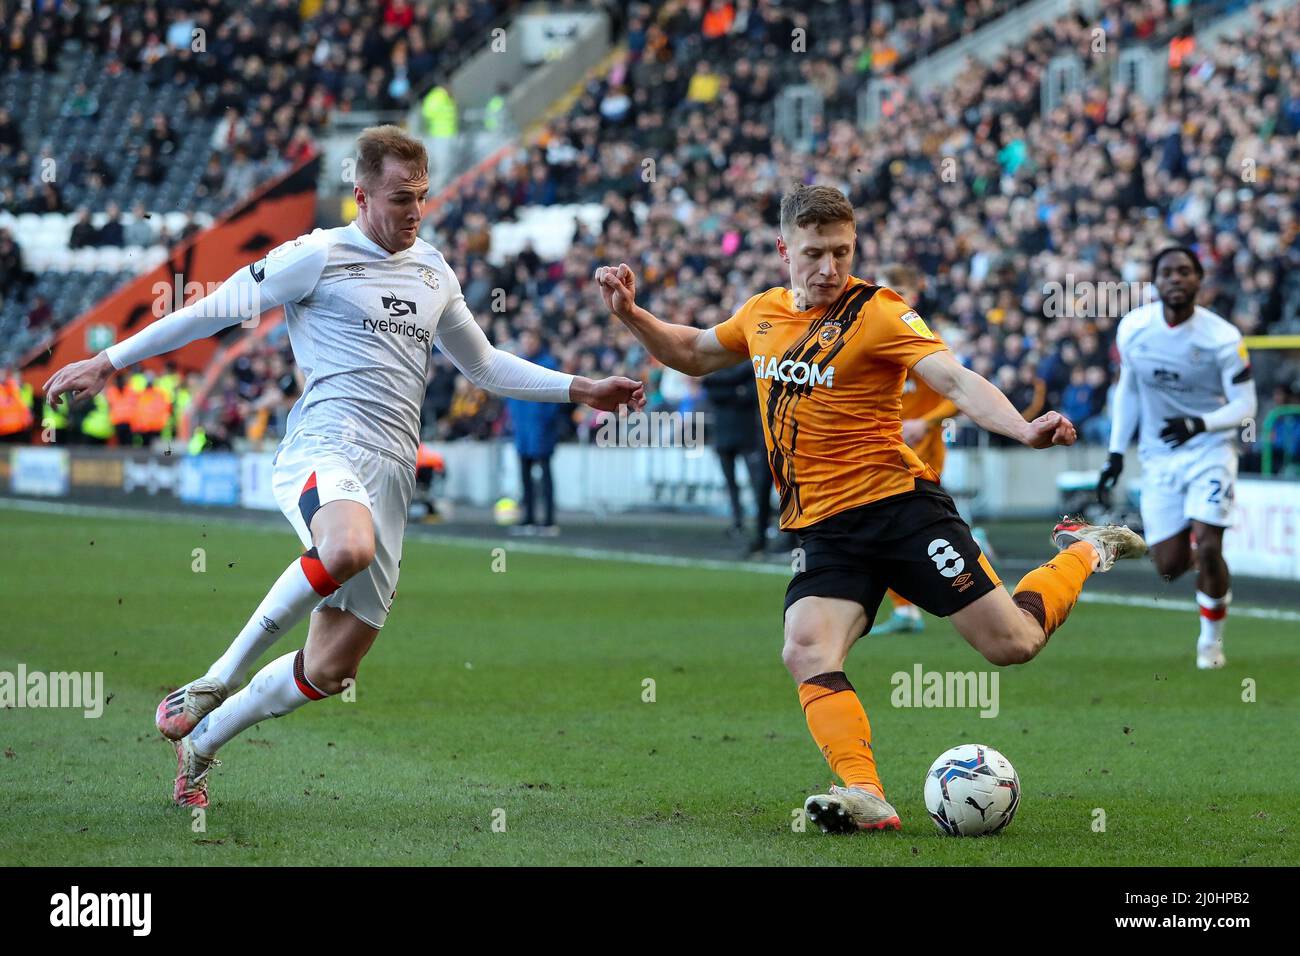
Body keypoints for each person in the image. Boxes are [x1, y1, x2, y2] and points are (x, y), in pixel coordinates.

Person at [42, 125, 645, 808]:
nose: (414, 213)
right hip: (326, 447)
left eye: (421, 198)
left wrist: (580, 387)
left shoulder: (434, 270)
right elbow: (213, 310)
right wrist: (108, 360)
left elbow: (482, 364)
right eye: (399, 199)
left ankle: (203, 740)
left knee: (331, 668)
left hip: (392, 472)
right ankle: (215, 676)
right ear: (359, 195)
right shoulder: (316, 255)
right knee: (347, 546)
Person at [594, 184, 1146, 833]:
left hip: (900, 510)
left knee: (1013, 643)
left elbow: (955, 378)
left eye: (842, 252)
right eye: (814, 254)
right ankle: (866, 793)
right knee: (805, 650)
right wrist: (632, 314)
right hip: (825, 529)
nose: (830, 268)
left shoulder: (879, 312)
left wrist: (1022, 428)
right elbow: (691, 351)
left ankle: (1089, 548)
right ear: (783, 250)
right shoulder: (762, 314)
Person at [1096, 246, 1257, 670]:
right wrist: (1115, 452)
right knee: (1168, 568)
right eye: (1166, 272)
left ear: (1199, 279)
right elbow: (1128, 390)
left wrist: (1198, 425)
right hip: (1159, 457)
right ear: (1154, 282)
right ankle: (1190, 542)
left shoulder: (1223, 338)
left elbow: (1245, 406)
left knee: (1208, 547)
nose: (1175, 279)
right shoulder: (1134, 329)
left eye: (1184, 272)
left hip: (1210, 450)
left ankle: (1210, 643)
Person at [869, 263, 958, 634]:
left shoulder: (929, 340)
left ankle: (979, 594)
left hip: (924, 459)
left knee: (913, 536)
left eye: (895, 293)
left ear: (913, 296)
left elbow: (957, 397)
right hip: (887, 457)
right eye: (882, 292)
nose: (885, 300)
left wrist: (927, 422)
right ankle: (906, 609)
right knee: (881, 532)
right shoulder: (873, 340)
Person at [702, 361, 772, 556]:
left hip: (744, 435)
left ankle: (760, 522)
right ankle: (739, 521)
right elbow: (713, 392)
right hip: (730, 435)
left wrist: (724, 389)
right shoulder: (738, 369)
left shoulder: (721, 371)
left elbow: (749, 396)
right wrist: (735, 391)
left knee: (758, 483)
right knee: (733, 483)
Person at [505, 329, 562, 535]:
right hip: (523, 429)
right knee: (525, 477)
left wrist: (545, 421)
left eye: (531, 338)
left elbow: (555, 396)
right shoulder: (516, 363)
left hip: (541, 428)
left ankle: (548, 520)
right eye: (525, 339)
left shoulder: (548, 363)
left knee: (545, 475)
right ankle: (528, 517)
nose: (527, 342)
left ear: (538, 341)